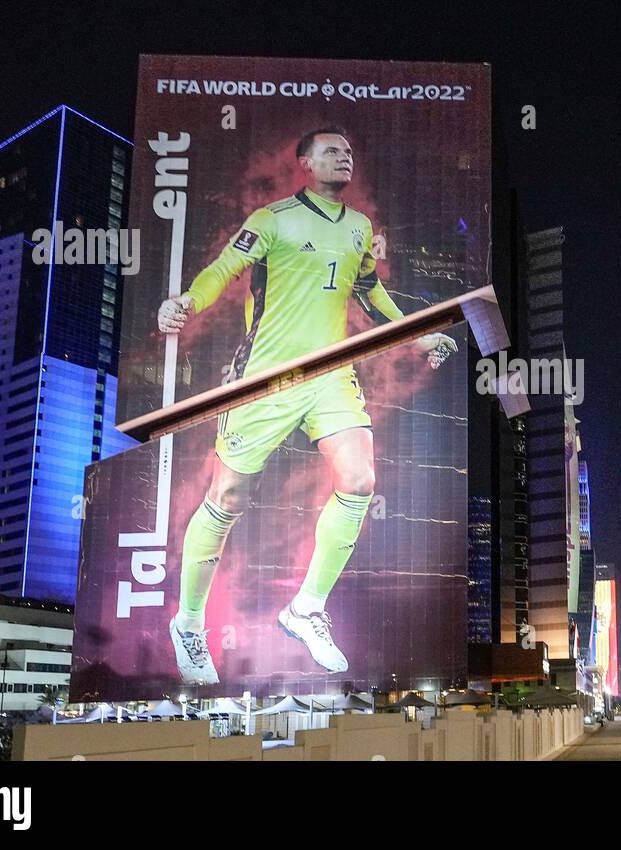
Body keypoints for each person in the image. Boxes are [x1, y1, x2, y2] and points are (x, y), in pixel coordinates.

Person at [157, 126, 456, 684]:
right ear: (304, 163)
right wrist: (185, 302)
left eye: (349, 150)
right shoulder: (271, 220)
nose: (345, 157)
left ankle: (306, 608)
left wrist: (420, 336)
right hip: (265, 377)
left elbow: (371, 295)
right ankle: (190, 624)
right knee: (227, 493)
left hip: (331, 376)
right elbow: (223, 271)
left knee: (361, 480)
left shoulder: (361, 229)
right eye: (331, 151)